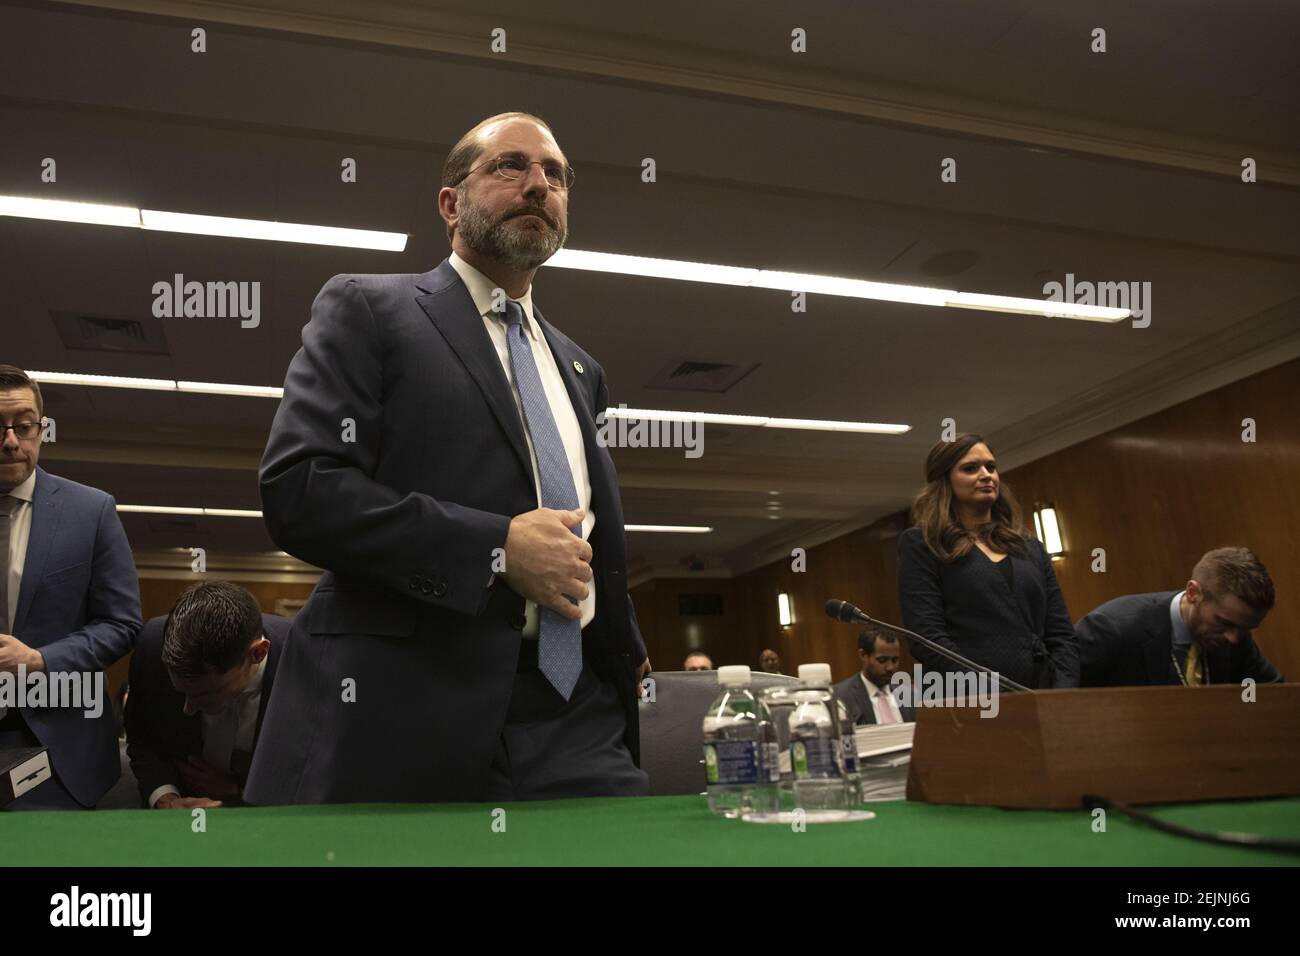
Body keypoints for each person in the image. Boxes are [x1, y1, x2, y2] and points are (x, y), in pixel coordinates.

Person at [245, 112, 649, 805]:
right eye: (509, 166)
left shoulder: (582, 370)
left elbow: (585, 531)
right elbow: (300, 489)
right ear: (449, 203)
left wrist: (622, 641)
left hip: (574, 715)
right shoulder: (368, 309)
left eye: (555, 175)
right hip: (402, 710)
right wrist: (495, 548)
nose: (537, 185)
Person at [0, 366, 141, 809]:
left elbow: (121, 623)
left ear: (42, 428)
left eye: (24, 426)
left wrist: (41, 659)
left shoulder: (91, 511)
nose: (10, 441)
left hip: (56, 751)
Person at [896, 434, 1078, 690]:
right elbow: (928, 638)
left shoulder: (1029, 546)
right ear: (945, 480)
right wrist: (991, 689)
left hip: (1043, 694)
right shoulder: (923, 544)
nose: (986, 475)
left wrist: (1064, 690)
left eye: (991, 467)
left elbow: (1061, 634)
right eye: (971, 468)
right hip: (968, 701)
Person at [126, 581, 292, 808]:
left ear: (258, 653)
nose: (188, 708)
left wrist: (238, 793)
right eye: (181, 691)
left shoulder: (304, 661)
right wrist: (166, 800)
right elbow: (143, 742)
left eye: (207, 693)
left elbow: (313, 770)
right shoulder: (151, 648)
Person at [1077, 547, 1282, 687]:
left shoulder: (1235, 635)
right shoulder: (1113, 628)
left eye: (1244, 628)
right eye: (1223, 622)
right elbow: (1059, 702)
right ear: (1193, 593)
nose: (1233, 638)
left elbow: (1275, 696)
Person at [833, 626, 914, 724]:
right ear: (863, 655)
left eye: (895, 660)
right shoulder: (840, 696)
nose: (890, 667)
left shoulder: (910, 695)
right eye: (882, 660)